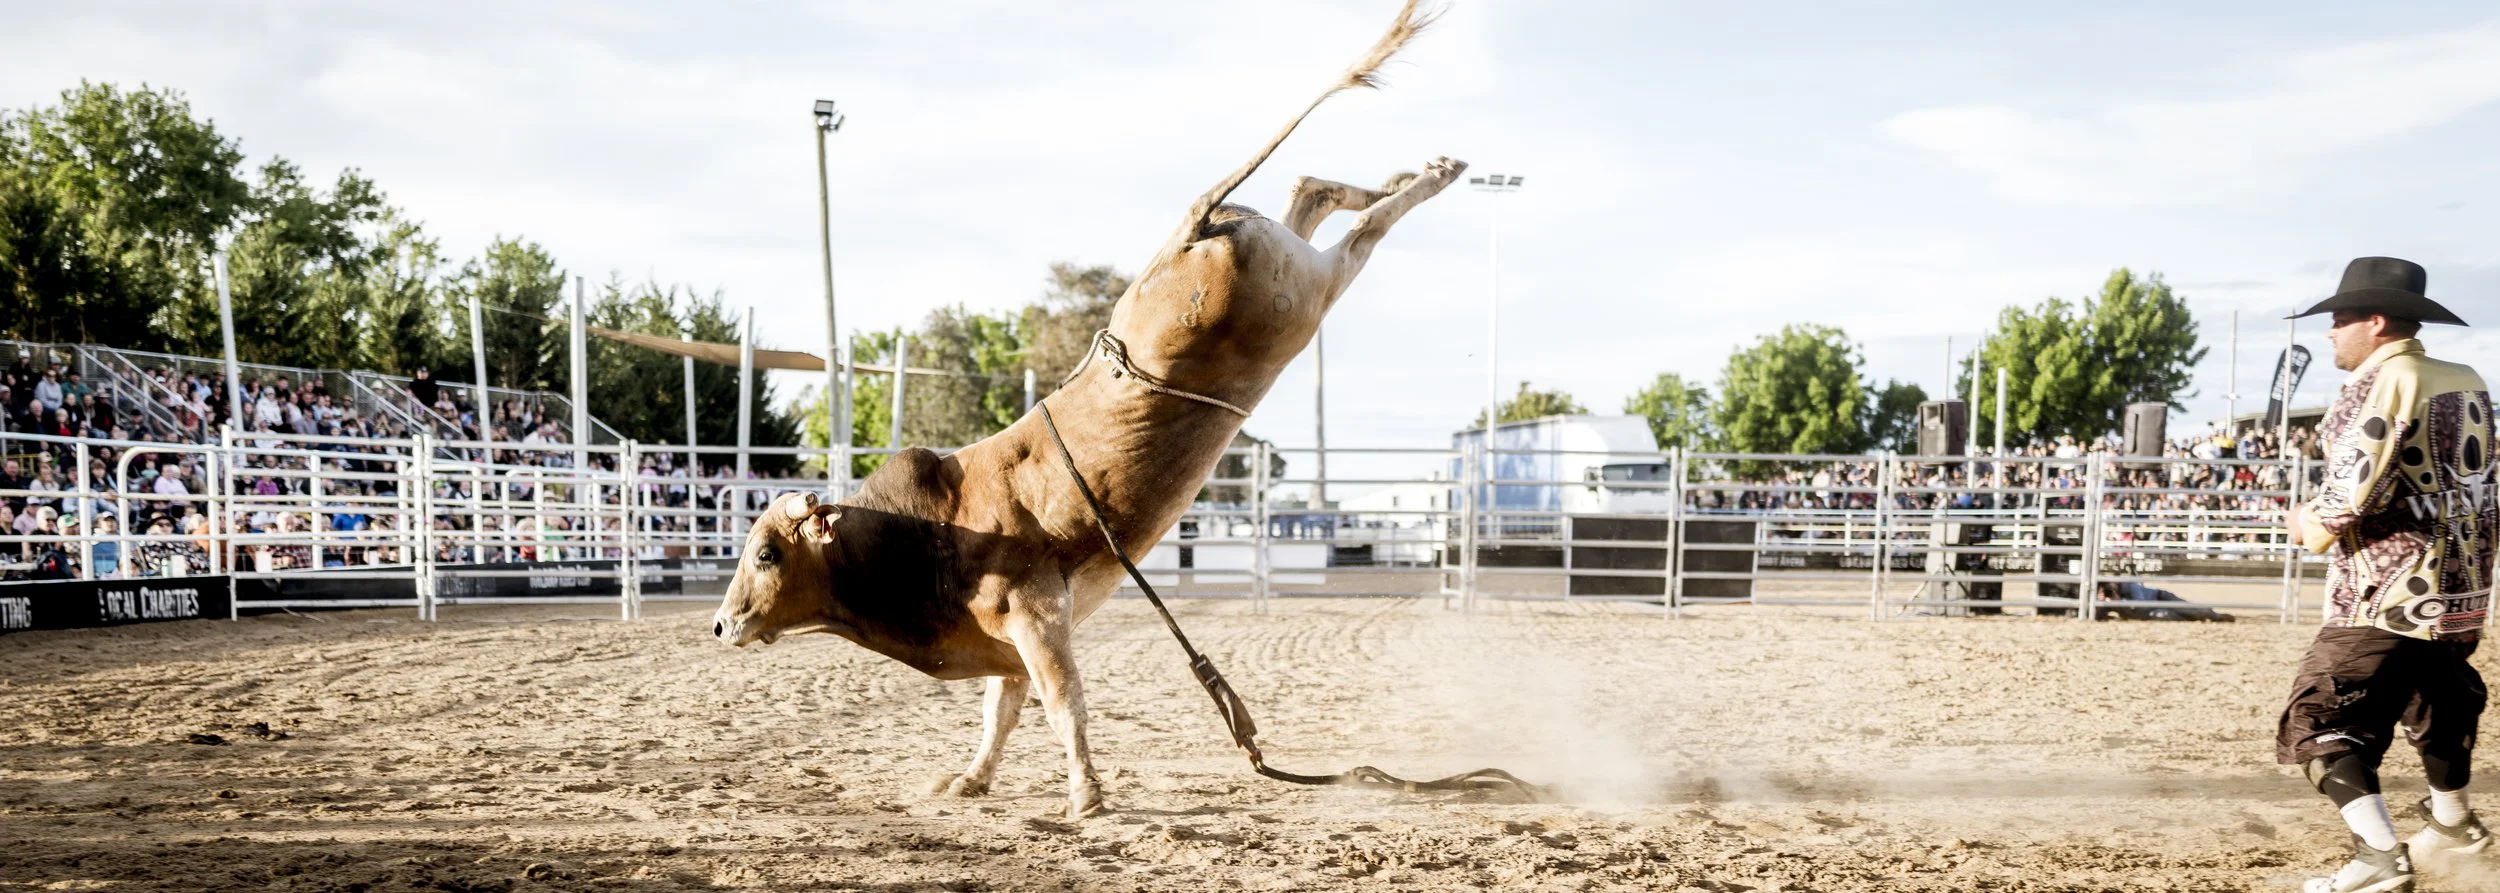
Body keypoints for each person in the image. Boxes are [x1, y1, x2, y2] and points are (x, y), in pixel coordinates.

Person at [2276, 257, 2498, 893]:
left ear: (2376, 322)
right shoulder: (2468, 379)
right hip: (2462, 589)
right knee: (2439, 702)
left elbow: (2353, 492)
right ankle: (2453, 826)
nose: (2330, 332)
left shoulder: (2387, 381)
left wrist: (2308, 521)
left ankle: (2377, 858)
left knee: (2319, 718)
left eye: (2339, 319)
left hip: (2388, 591)